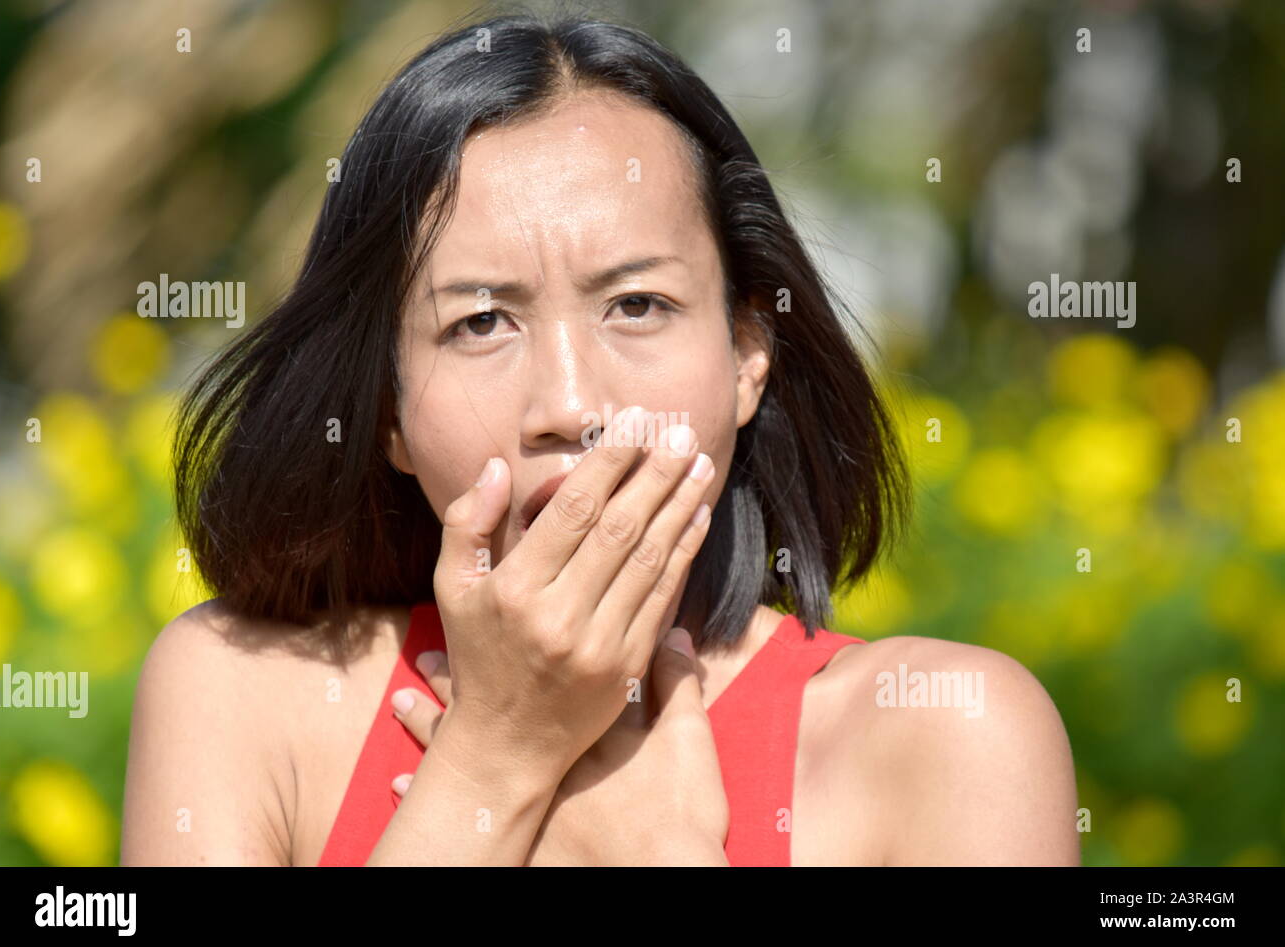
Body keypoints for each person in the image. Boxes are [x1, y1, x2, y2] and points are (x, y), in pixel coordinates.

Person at [121, 11, 1079, 866]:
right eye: (481, 322)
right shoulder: (240, 694)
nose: (571, 403)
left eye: (637, 304)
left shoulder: (950, 737)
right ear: (385, 413)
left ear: (749, 354)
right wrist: (493, 764)